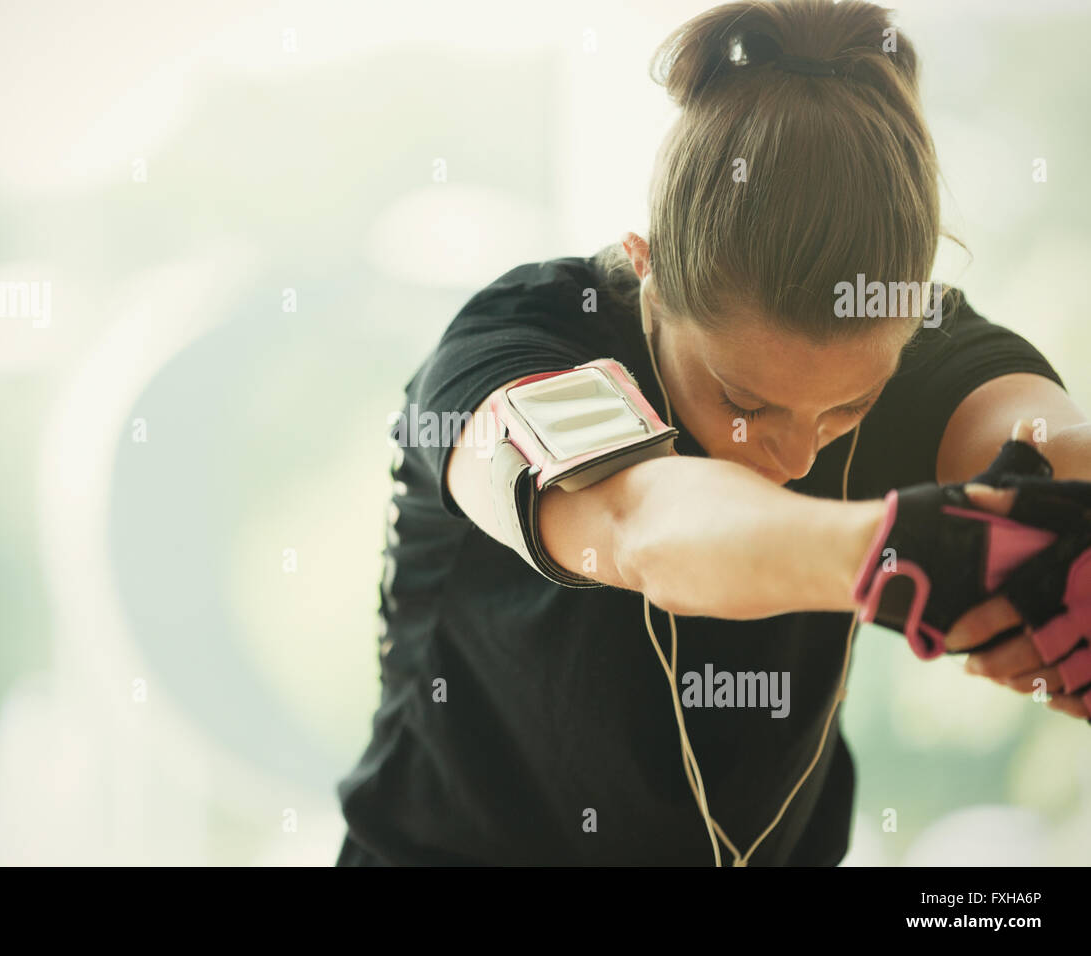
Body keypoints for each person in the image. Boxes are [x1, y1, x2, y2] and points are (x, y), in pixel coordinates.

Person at [335, 0, 1091, 866]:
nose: (797, 453)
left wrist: (1062, 538)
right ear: (648, 272)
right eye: (746, 400)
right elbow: (638, 526)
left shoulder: (909, 340)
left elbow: (1052, 448)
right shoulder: (519, 345)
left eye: (848, 409)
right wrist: (906, 555)